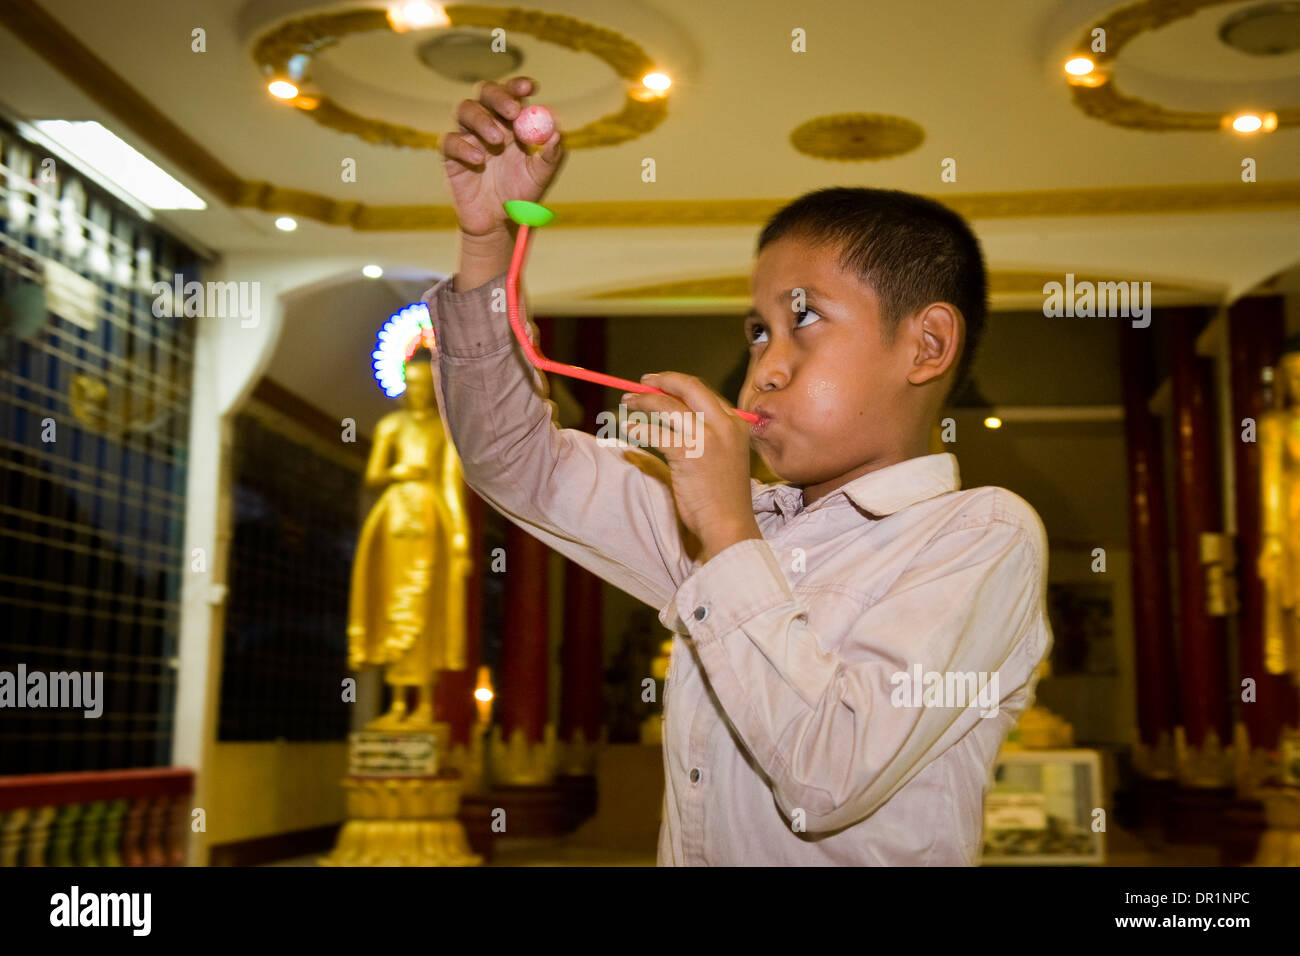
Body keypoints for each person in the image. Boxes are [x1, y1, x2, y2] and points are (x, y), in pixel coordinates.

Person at [425, 75, 1053, 865]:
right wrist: (488, 244)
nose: (765, 368)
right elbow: (517, 464)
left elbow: (827, 777)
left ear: (925, 346)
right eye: (758, 332)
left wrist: (725, 528)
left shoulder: (982, 534)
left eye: (806, 320)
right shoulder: (734, 522)